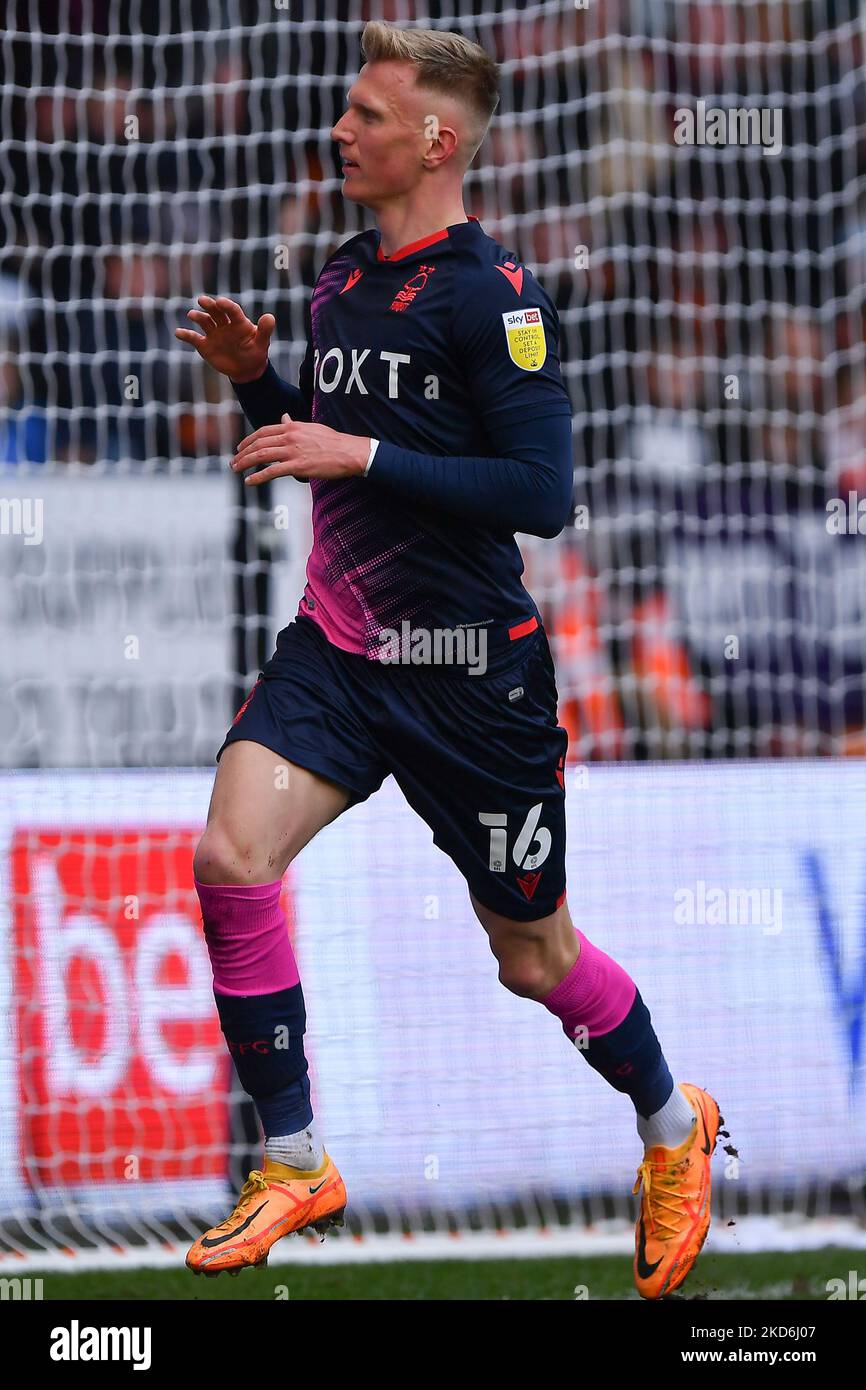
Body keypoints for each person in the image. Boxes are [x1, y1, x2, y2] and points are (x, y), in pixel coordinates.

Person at [175, 19, 719, 1299]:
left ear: (434, 138)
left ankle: (668, 1125)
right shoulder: (340, 280)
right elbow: (320, 448)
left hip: (474, 677)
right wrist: (265, 390)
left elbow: (539, 491)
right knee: (225, 856)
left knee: (530, 958)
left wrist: (345, 450)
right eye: (345, 109)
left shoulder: (495, 299)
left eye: (367, 114)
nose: (339, 131)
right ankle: (295, 1160)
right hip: (341, 651)